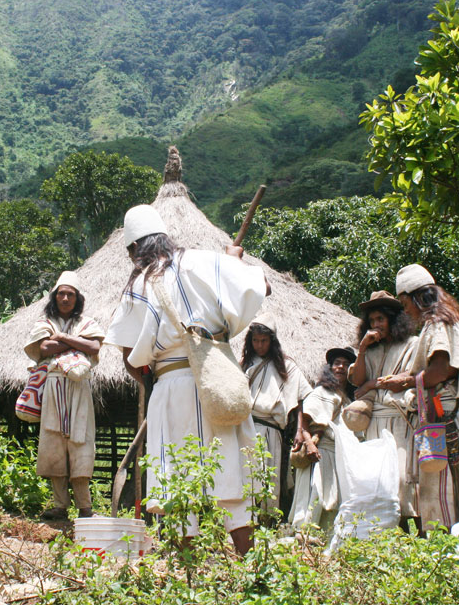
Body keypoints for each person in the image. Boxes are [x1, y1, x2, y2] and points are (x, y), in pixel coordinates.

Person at [104, 204, 269, 556]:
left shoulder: (139, 285)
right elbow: (262, 287)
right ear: (164, 236)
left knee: (179, 483)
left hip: (171, 387)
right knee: (232, 474)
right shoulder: (206, 261)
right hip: (218, 378)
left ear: (134, 249)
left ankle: (187, 573)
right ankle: (252, 568)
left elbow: (130, 359)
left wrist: (154, 385)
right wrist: (234, 262)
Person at [378, 264, 459, 531]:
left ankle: (449, 557)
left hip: (442, 422)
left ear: (417, 297)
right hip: (437, 420)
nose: (407, 310)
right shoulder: (437, 325)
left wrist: (407, 381)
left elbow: (441, 370)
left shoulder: (440, 324)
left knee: (446, 498)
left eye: (405, 303)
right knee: (438, 497)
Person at [24, 271, 104, 520]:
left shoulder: (87, 322)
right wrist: (76, 342)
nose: (65, 298)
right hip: (53, 387)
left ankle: (84, 507)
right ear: (55, 297)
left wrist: (64, 339)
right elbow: (44, 348)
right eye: (61, 293)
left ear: (77, 298)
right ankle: (59, 505)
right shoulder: (44, 323)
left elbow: (95, 347)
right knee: (54, 442)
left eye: (70, 294)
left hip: (79, 388)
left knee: (81, 442)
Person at [347, 290, 419, 526]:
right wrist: (363, 348)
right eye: (372, 321)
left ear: (393, 319)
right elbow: (357, 381)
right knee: (379, 482)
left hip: (401, 420)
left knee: (403, 480)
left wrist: (372, 384)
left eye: (381, 319)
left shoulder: (413, 344)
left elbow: (410, 377)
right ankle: (386, 537)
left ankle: (417, 537)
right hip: (375, 424)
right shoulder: (370, 351)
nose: (376, 325)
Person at [240, 314, 312, 519]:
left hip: (272, 429)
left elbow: (300, 399)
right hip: (247, 427)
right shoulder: (245, 364)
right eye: (255, 340)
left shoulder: (286, 367)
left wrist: (299, 430)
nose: (259, 345)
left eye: (263, 341)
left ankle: (267, 524)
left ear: (272, 341)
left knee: (269, 480)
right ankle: (246, 523)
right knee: (247, 477)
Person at [288, 347, 354, 534]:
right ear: (330, 368)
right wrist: (309, 445)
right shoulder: (322, 392)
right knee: (315, 496)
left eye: (346, 364)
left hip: (337, 457)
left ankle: (325, 543)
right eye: (337, 363)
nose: (341, 367)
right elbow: (305, 424)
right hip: (319, 454)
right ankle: (304, 541)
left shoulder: (348, 400)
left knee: (332, 502)